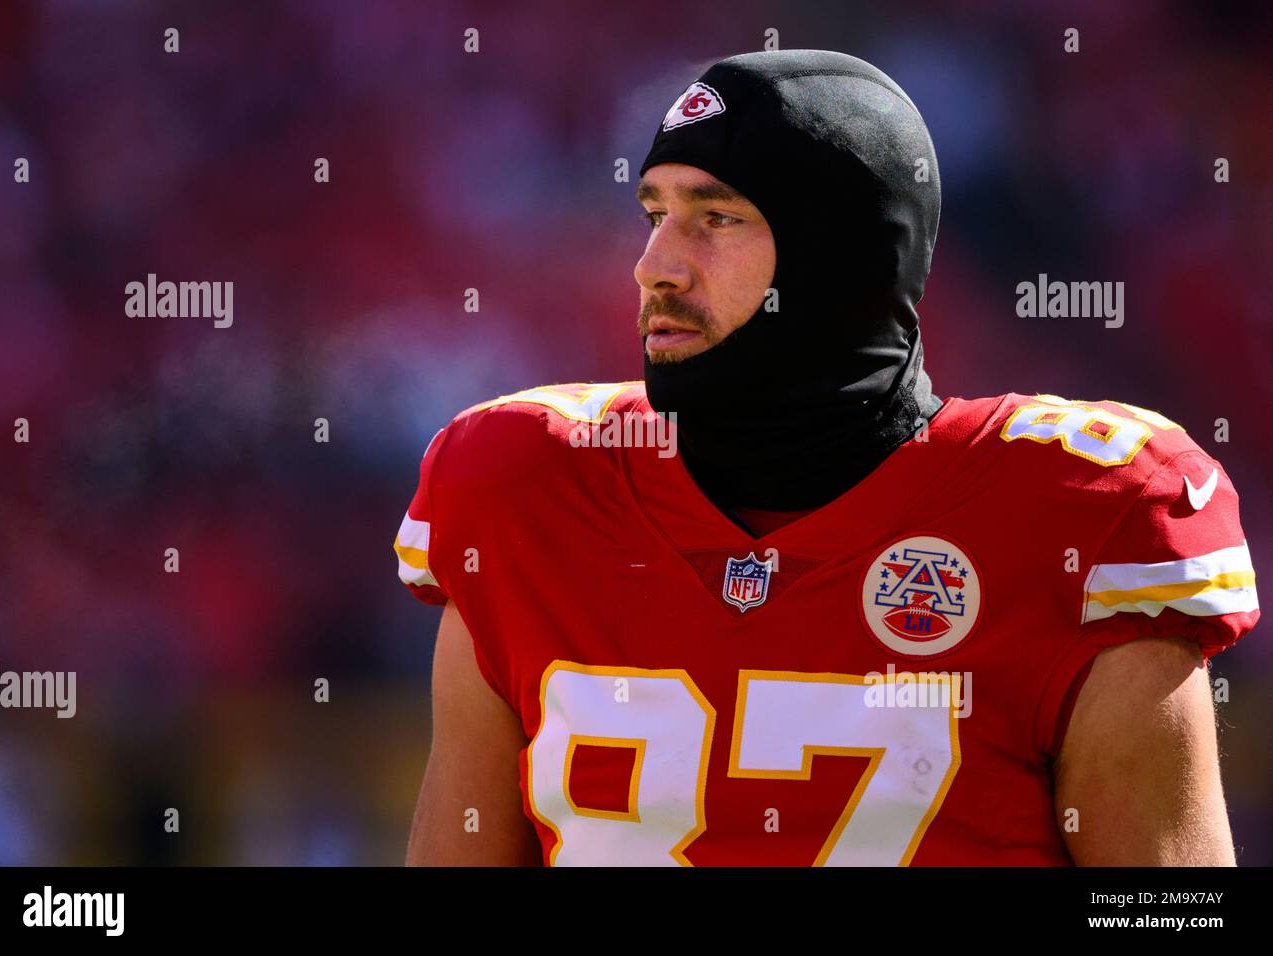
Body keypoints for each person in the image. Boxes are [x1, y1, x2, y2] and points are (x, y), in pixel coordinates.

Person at [397, 50, 1258, 866]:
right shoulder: (522, 484)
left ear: (844, 256)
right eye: (656, 214)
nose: (653, 267)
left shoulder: (1085, 508)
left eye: (717, 218)